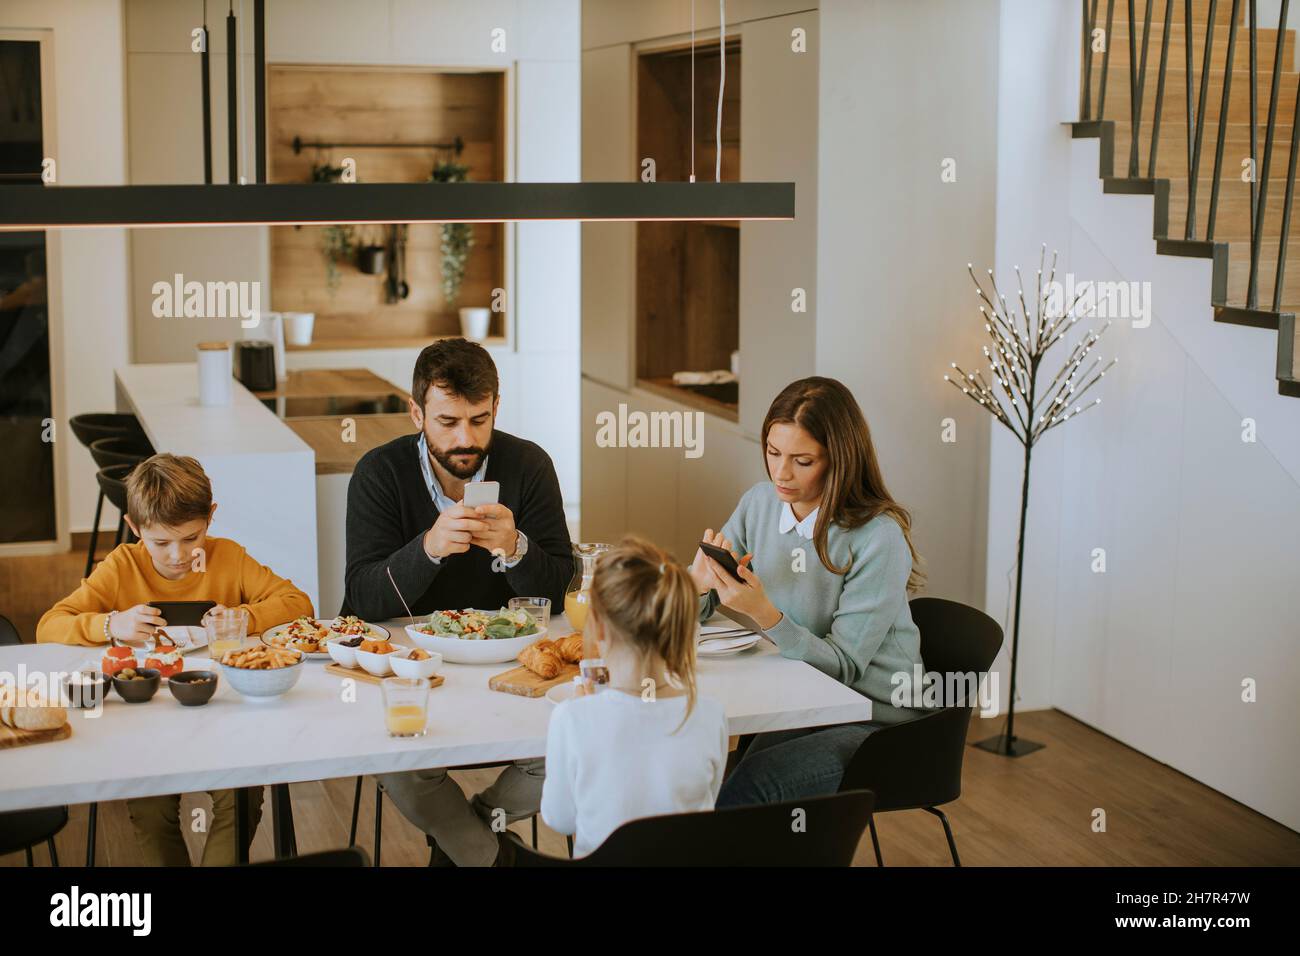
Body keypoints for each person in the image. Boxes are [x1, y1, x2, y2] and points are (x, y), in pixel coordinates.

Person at [343, 337, 573, 866]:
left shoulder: (528, 465)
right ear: (416, 411)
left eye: (479, 419)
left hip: (507, 666)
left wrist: (517, 549)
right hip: (407, 667)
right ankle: (494, 858)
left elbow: (561, 588)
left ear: (496, 408)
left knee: (568, 747)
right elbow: (363, 598)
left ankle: (466, 840)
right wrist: (426, 549)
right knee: (396, 757)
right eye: (448, 422)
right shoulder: (380, 472)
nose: (466, 438)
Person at [38, 453, 314, 865]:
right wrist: (111, 624)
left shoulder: (228, 557)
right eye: (161, 542)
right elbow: (50, 624)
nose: (177, 556)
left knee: (241, 796)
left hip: (225, 715)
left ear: (210, 518)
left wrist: (246, 616)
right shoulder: (121, 566)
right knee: (150, 809)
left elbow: (299, 604)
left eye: (191, 538)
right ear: (135, 529)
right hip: (144, 720)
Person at [689, 376, 927, 807]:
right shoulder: (760, 504)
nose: (781, 473)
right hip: (802, 694)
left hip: (874, 717)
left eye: (802, 461)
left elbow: (844, 668)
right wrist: (696, 584)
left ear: (839, 460)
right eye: (773, 452)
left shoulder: (878, 538)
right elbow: (702, 607)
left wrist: (767, 616)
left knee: (746, 792)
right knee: (701, 775)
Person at [541, 536, 728, 857]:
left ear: (597, 627)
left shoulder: (572, 719)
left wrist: (586, 711)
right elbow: (703, 805)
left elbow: (561, 820)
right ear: (679, 626)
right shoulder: (710, 715)